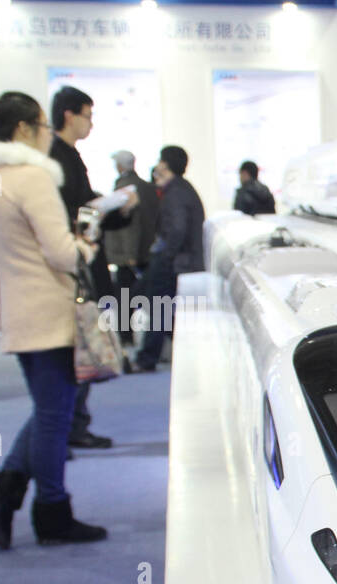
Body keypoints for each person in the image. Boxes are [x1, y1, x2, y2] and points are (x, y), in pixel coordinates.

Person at [0, 91, 107, 547]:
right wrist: (87, 245)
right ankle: (51, 510)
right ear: (25, 129)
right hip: (50, 310)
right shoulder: (31, 178)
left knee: (47, 410)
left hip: (17, 312)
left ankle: (5, 492)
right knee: (55, 417)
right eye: (44, 126)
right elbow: (62, 253)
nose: (48, 135)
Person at [47, 86, 138, 448]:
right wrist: (104, 207)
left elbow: (85, 214)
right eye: (88, 115)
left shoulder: (68, 156)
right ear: (69, 114)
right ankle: (66, 430)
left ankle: (72, 426)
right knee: (77, 352)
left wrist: (113, 211)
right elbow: (75, 215)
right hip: (74, 272)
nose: (91, 124)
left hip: (84, 265)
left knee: (82, 353)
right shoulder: (57, 158)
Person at [134, 145, 205, 373]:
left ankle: (147, 358)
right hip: (181, 261)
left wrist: (165, 255)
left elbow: (176, 229)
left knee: (159, 309)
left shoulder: (175, 193)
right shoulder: (183, 189)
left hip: (173, 262)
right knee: (166, 311)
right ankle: (184, 357)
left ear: (165, 164)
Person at [102, 150, 158, 348]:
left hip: (129, 254)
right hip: (147, 249)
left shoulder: (125, 188)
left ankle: (126, 336)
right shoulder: (147, 187)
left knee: (125, 295)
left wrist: (129, 254)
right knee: (150, 294)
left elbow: (129, 226)